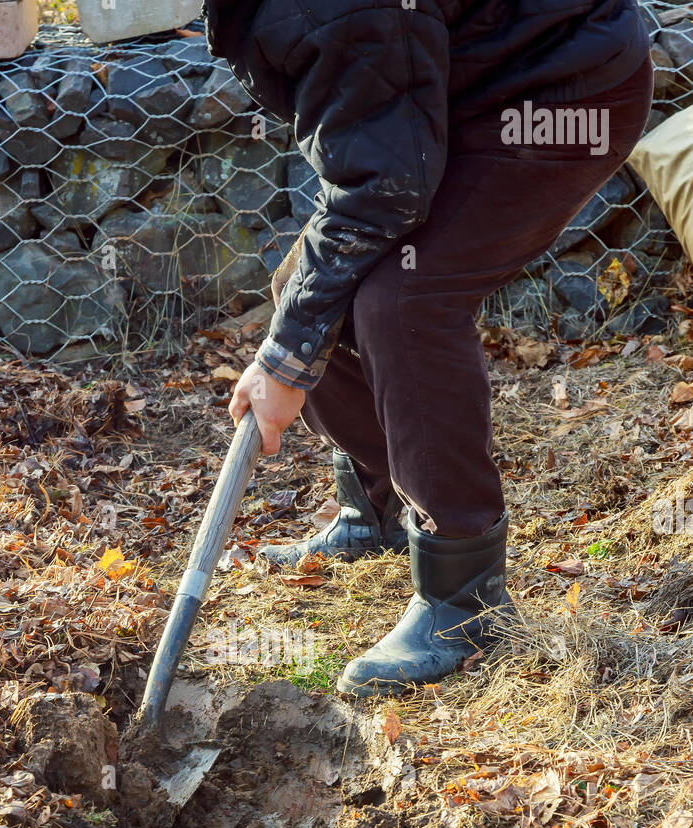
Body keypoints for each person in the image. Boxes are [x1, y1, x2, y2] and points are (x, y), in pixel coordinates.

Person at [205, 0, 653, 695]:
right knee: (307, 284)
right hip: (475, 80)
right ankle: (378, 507)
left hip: (566, 89)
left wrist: (284, 363)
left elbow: (383, 186)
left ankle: (463, 599)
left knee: (404, 301)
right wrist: (291, 342)